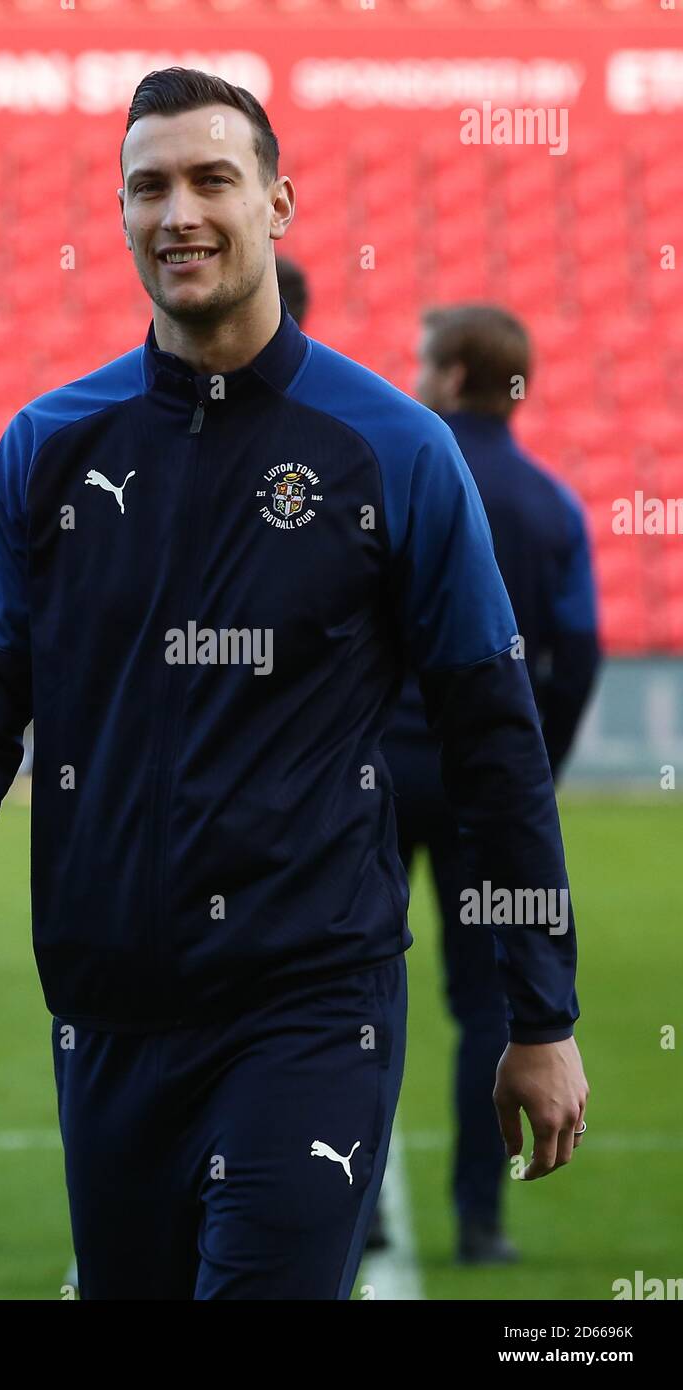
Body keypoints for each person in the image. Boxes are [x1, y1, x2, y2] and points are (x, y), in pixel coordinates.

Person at [0, 68, 589, 1301]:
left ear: (279, 202)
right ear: (120, 212)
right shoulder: (47, 450)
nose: (178, 212)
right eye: (148, 186)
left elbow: (492, 740)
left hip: (309, 1006)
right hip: (107, 1010)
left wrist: (541, 1012)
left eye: (212, 179)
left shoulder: (392, 452)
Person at [372, 305, 601, 1264]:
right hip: (482, 797)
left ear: (457, 373)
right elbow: (581, 651)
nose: (415, 373)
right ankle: (480, 1219)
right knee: (486, 1009)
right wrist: (531, 771)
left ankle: (348, 1195)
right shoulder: (553, 506)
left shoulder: (396, 476)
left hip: (375, 779)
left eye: (426, 359)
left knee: (350, 995)